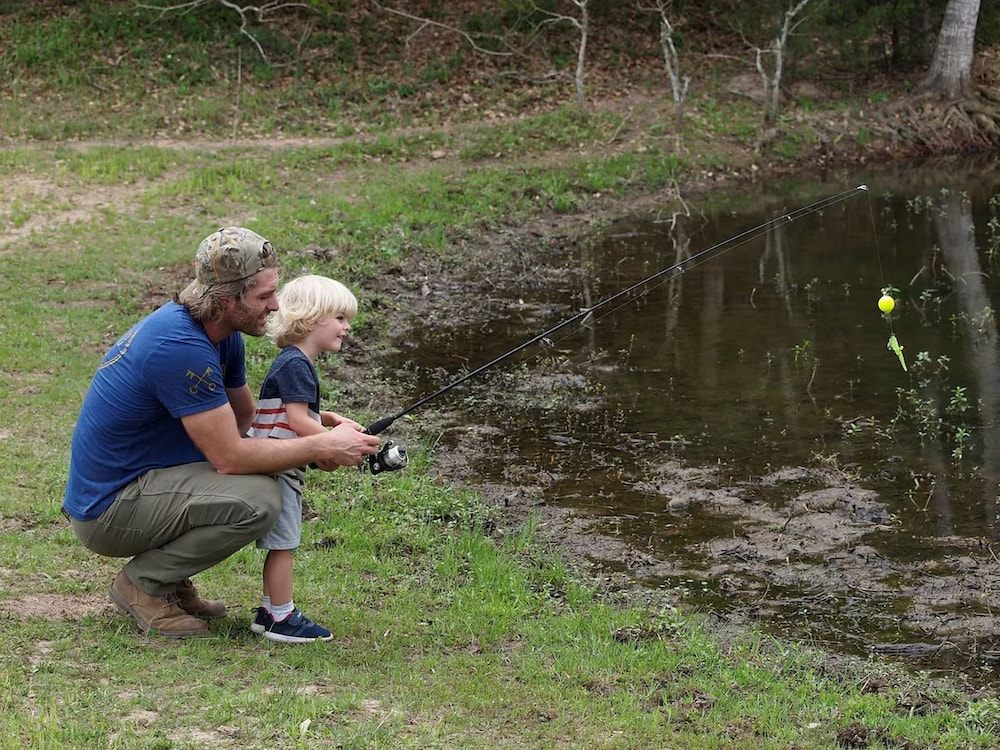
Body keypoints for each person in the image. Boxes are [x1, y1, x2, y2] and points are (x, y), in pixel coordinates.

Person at [62, 227, 381, 639]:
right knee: (261, 500)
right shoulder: (180, 346)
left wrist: (313, 431)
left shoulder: (221, 334)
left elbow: (244, 418)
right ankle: (144, 584)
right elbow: (230, 457)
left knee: (260, 483)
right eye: (265, 296)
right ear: (229, 299)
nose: (276, 305)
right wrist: (321, 444)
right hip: (108, 510)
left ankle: (170, 581)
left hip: (148, 481)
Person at [246, 274, 362, 643]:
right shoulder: (297, 364)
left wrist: (328, 419)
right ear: (311, 319)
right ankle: (281, 617)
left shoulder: (293, 361)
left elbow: (290, 411)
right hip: (278, 471)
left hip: (278, 467)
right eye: (340, 318)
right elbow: (297, 421)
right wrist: (334, 443)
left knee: (283, 543)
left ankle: (269, 611)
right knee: (284, 545)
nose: (347, 327)